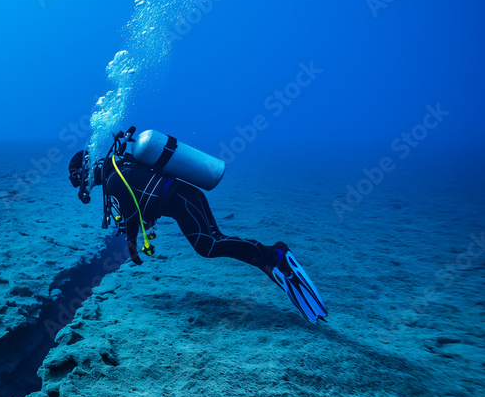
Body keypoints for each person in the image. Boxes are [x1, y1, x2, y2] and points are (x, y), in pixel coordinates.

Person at [69, 127, 327, 324]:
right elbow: (141, 203)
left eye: (79, 179)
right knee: (215, 241)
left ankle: (275, 254)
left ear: (86, 172)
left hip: (183, 200)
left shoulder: (114, 179)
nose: (82, 186)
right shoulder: (119, 166)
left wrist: (132, 247)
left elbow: (132, 214)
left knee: (208, 245)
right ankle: (263, 259)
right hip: (186, 196)